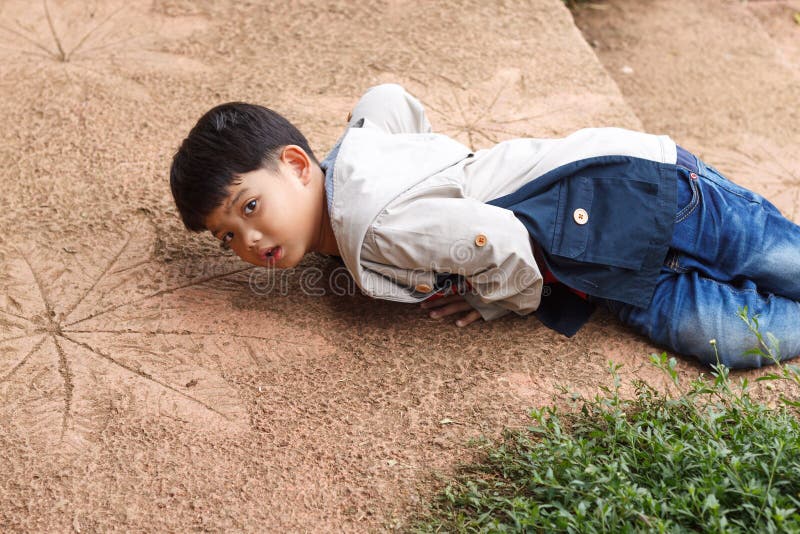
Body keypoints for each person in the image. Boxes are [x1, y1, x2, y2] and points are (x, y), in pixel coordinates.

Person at [169, 84, 800, 369]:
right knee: (725, 337)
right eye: (227, 235)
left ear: (299, 166)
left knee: (770, 255)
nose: (247, 240)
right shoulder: (349, 171)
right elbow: (385, 101)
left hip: (633, 190)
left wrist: (494, 299)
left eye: (249, 208)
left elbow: (500, 244)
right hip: (602, 265)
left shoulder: (377, 226)